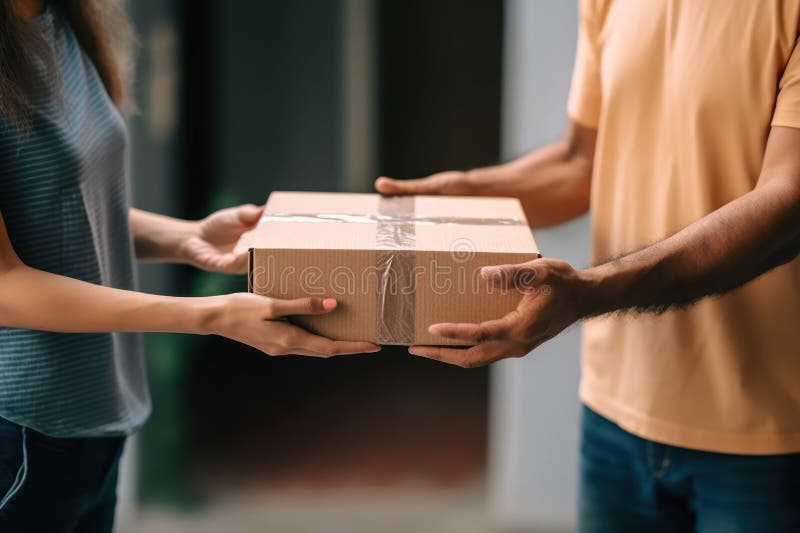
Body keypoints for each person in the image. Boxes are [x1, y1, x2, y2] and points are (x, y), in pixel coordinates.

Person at [377, 0, 800, 530]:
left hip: (767, 431)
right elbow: (581, 163)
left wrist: (589, 290)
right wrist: (468, 192)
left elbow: (787, 202)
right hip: (614, 410)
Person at [0, 0, 379, 530]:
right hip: (21, 427)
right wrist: (212, 315)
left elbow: (58, 205)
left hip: (95, 421)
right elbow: (4, 285)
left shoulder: (59, 19)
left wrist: (187, 237)